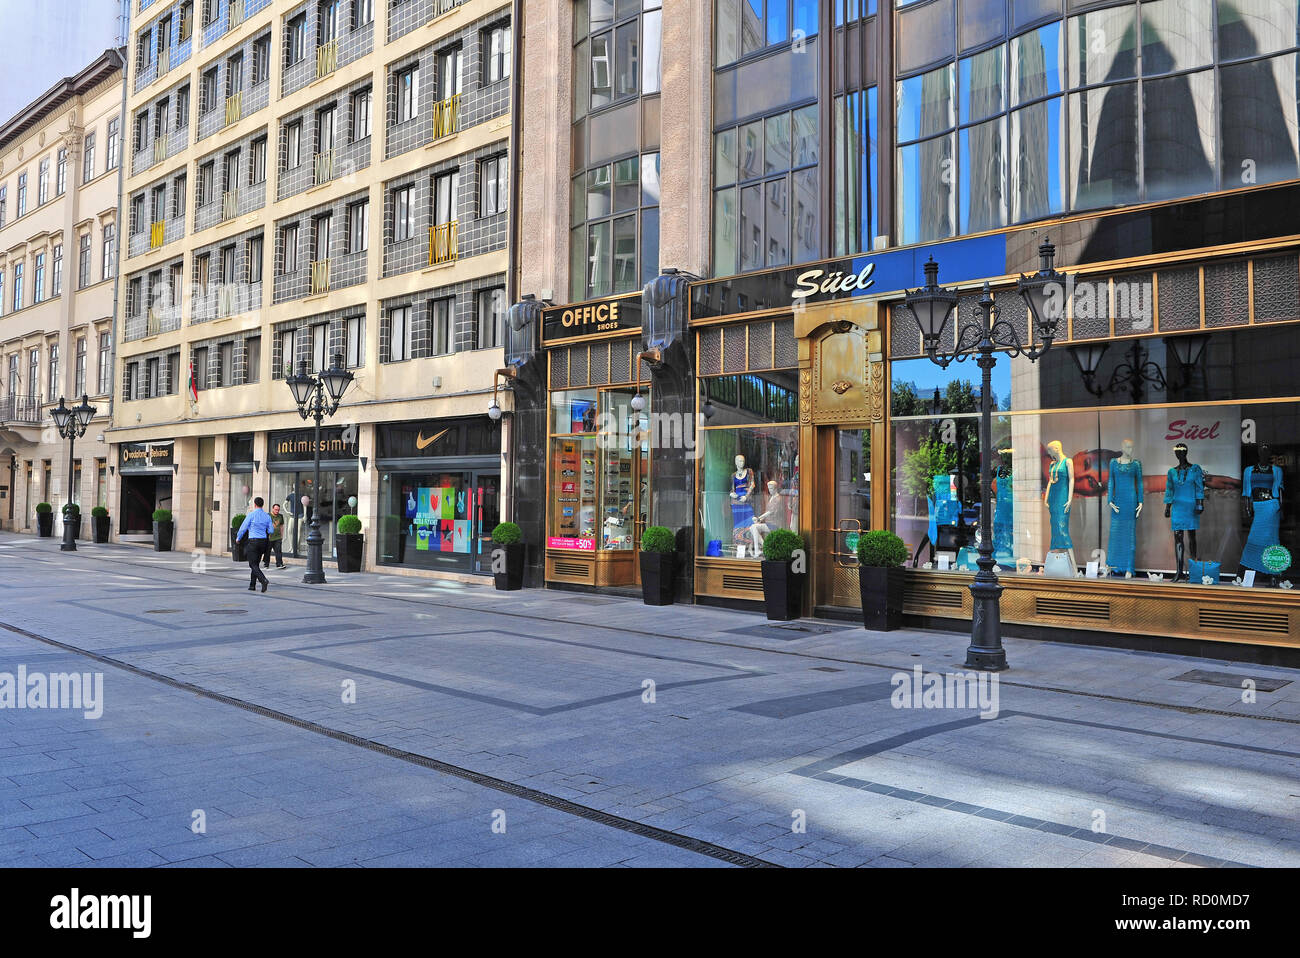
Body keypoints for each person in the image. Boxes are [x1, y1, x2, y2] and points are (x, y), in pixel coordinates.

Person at [236, 497, 275, 592]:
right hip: (263, 542)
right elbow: (271, 530)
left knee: (252, 564)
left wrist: (238, 538)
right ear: (262, 505)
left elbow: (243, 528)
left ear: (255, 504)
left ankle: (263, 580)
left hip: (253, 541)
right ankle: (252, 585)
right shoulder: (267, 516)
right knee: (256, 563)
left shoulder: (251, 515)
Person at [264, 502, 286, 569]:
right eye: (276, 509)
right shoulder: (268, 515)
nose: (277, 511)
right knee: (267, 551)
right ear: (272, 509)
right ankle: (266, 564)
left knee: (278, 551)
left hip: (278, 537)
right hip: (269, 537)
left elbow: (281, 526)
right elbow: (264, 526)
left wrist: (282, 535)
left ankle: (279, 564)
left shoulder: (280, 516)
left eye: (278, 510)